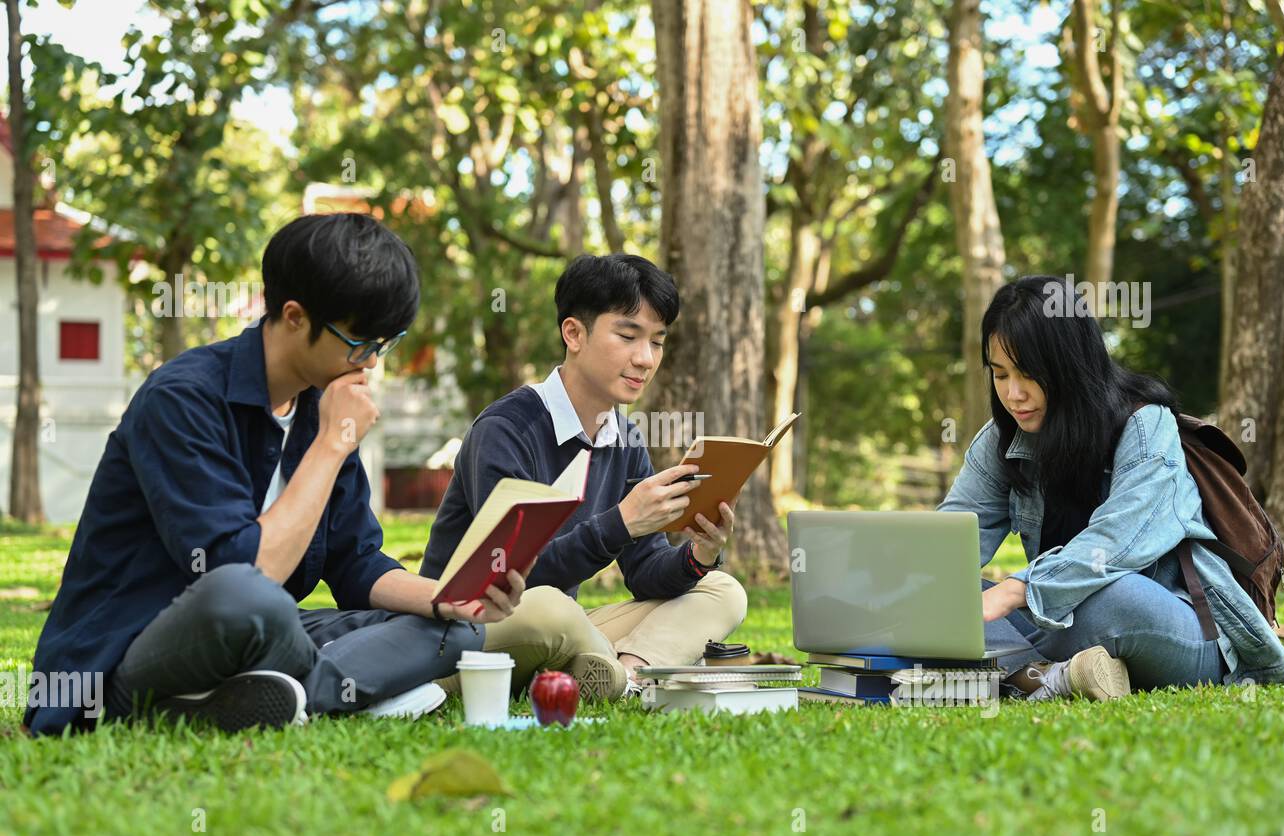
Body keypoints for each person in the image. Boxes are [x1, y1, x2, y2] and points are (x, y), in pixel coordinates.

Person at [22, 213, 529, 737]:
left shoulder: (321, 403)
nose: (372, 363)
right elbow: (241, 571)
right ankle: (321, 693)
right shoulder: (183, 398)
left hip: (261, 634)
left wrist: (448, 596)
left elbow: (355, 562)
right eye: (359, 342)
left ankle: (250, 699)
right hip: (133, 649)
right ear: (294, 317)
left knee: (454, 633)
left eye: (386, 343)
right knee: (248, 598)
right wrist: (332, 444)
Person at [938, 275, 1284, 701]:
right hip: (1063, 623)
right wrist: (906, 586)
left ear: (1070, 363)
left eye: (1029, 375)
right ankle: (1054, 676)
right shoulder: (1000, 440)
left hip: (1177, 625)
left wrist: (1016, 590)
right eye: (1000, 375)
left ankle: (999, 667)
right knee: (949, 596)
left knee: (1110, 595)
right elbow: (952, 540)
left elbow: (1117, 543)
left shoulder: (1145, 425)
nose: (1013, 394)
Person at [421, 253, 748, 701]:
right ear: (574, 333)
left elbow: (646, 575)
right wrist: (622, 521)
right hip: (465, 636)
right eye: (628, 335)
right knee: (553, 609)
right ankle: (596, 666)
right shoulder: (507, 430)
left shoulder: (625, 439)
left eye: (657, 341)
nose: (645, 359)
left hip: (559, 628)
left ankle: (627, 676)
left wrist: (699, 552)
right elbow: (502, 579)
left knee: (723, 589)